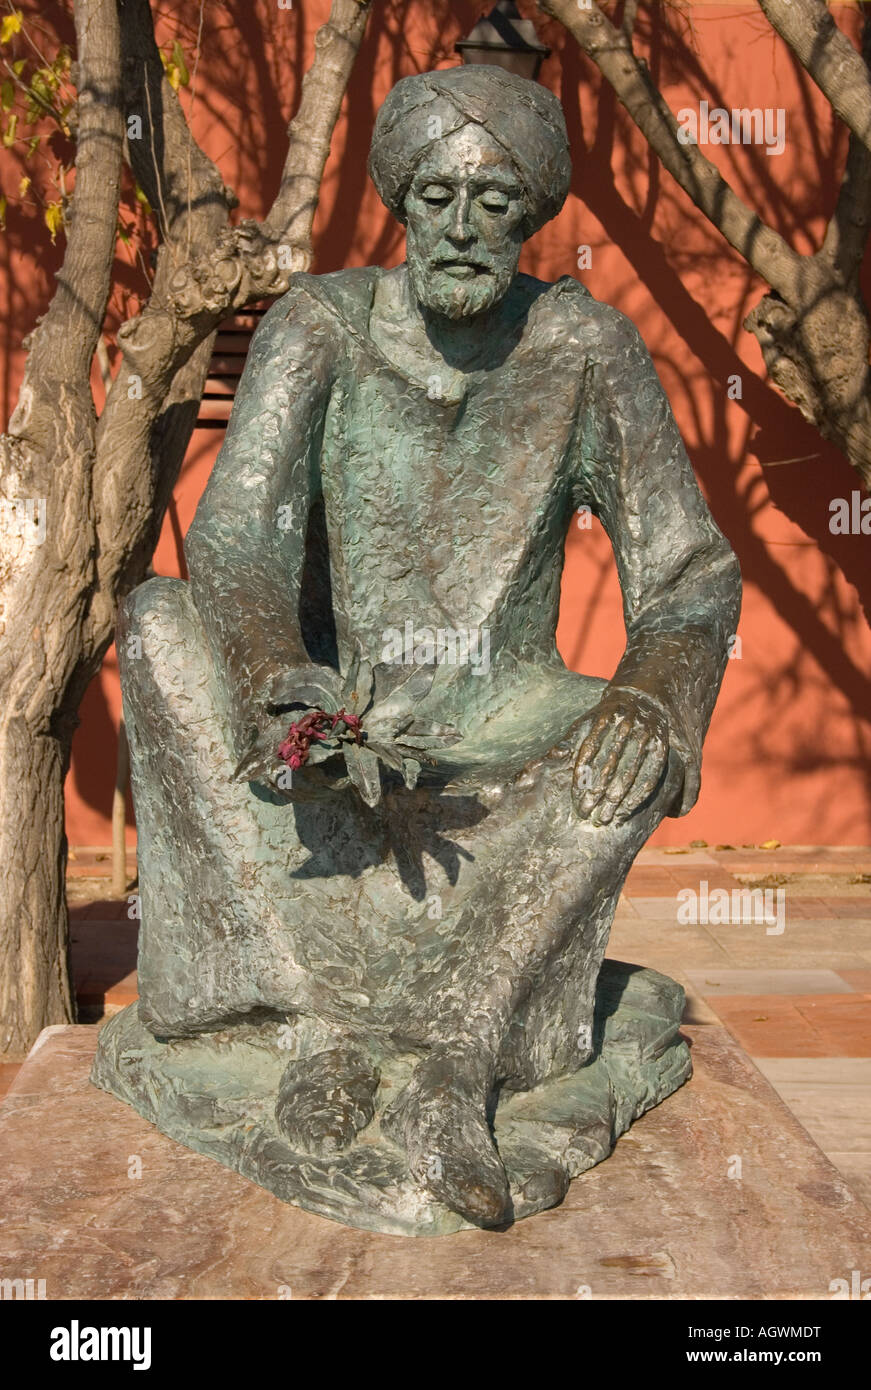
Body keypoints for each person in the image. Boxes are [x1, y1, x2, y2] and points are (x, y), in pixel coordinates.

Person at [118, 66, 741, 1226]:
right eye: (438, 195)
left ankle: (459, 1068)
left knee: (628, 748)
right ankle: (299, 1019)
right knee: (156, 626)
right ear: (400, 199)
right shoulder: (315, 327)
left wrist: (655, 695)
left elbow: (691, 575)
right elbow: (238, 538)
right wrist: (274, 677)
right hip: (335, 708)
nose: (462, 227)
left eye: (495, 199)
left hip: (507, 716)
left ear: (533, 213)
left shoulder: (588, 349)